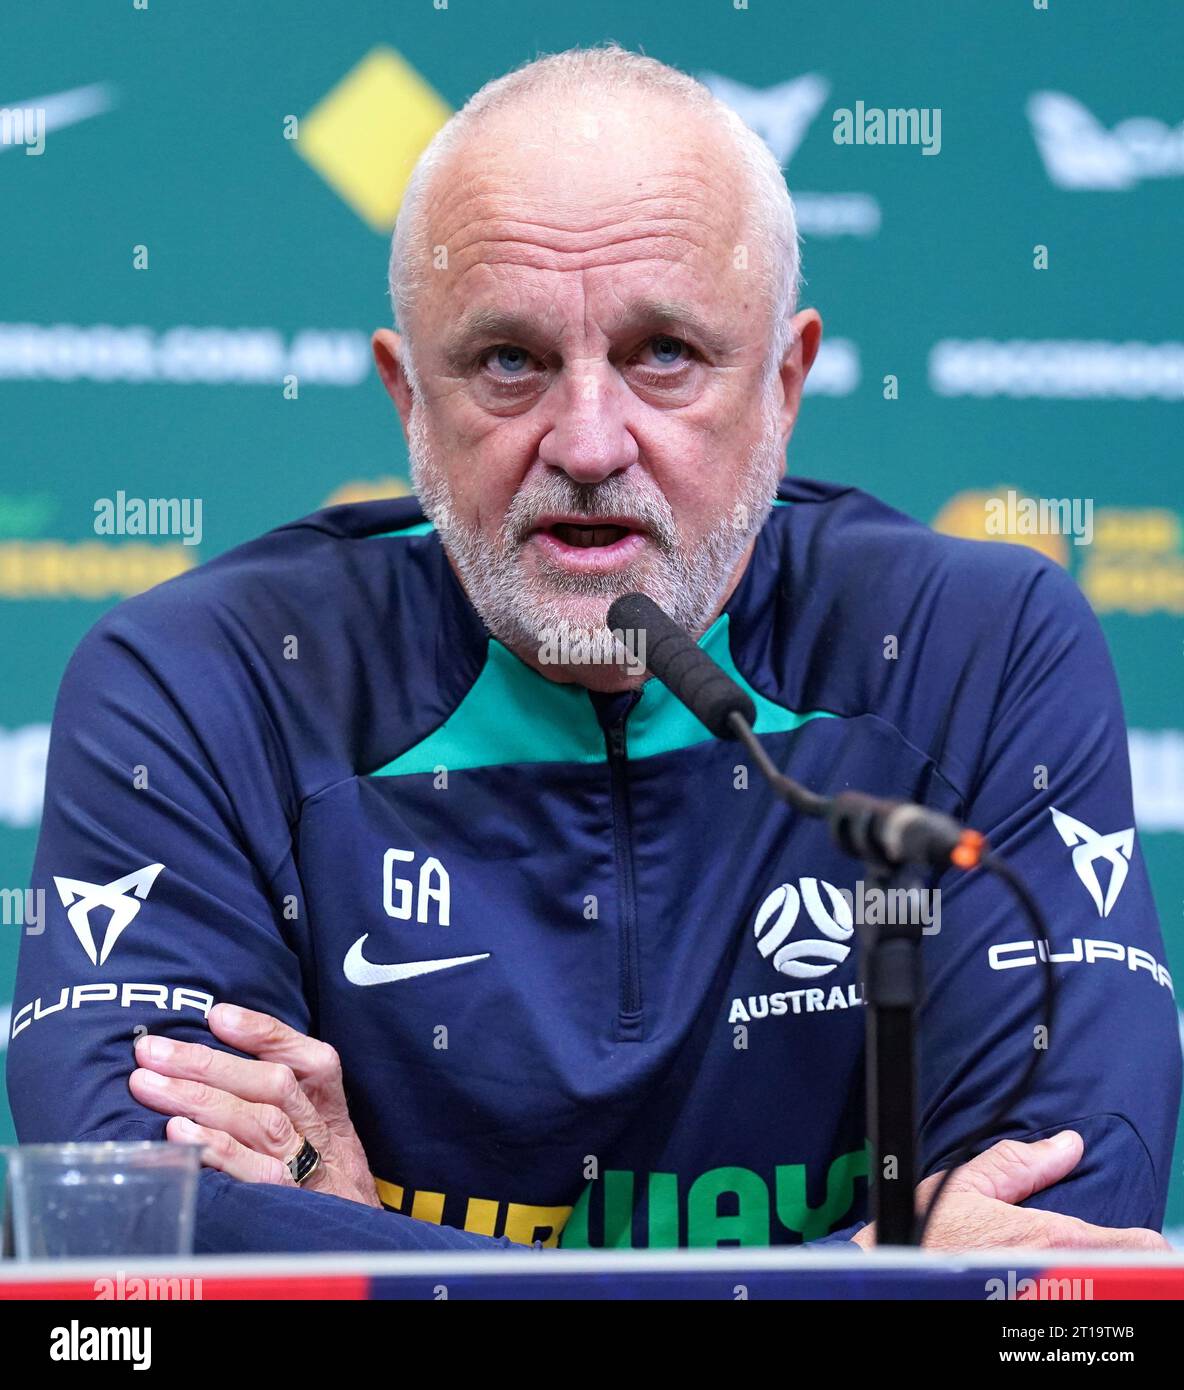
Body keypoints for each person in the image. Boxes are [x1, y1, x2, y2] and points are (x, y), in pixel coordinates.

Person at [7, 44, 1179, 1253]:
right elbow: (132, 1233)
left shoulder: (978, 650)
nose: (585, 440)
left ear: (784, 382)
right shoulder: (199, 683)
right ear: (409, 401)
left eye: (661, 354)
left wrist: (354, 1253)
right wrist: (875, 1275)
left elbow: (1062, 1235)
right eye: (508, 360)